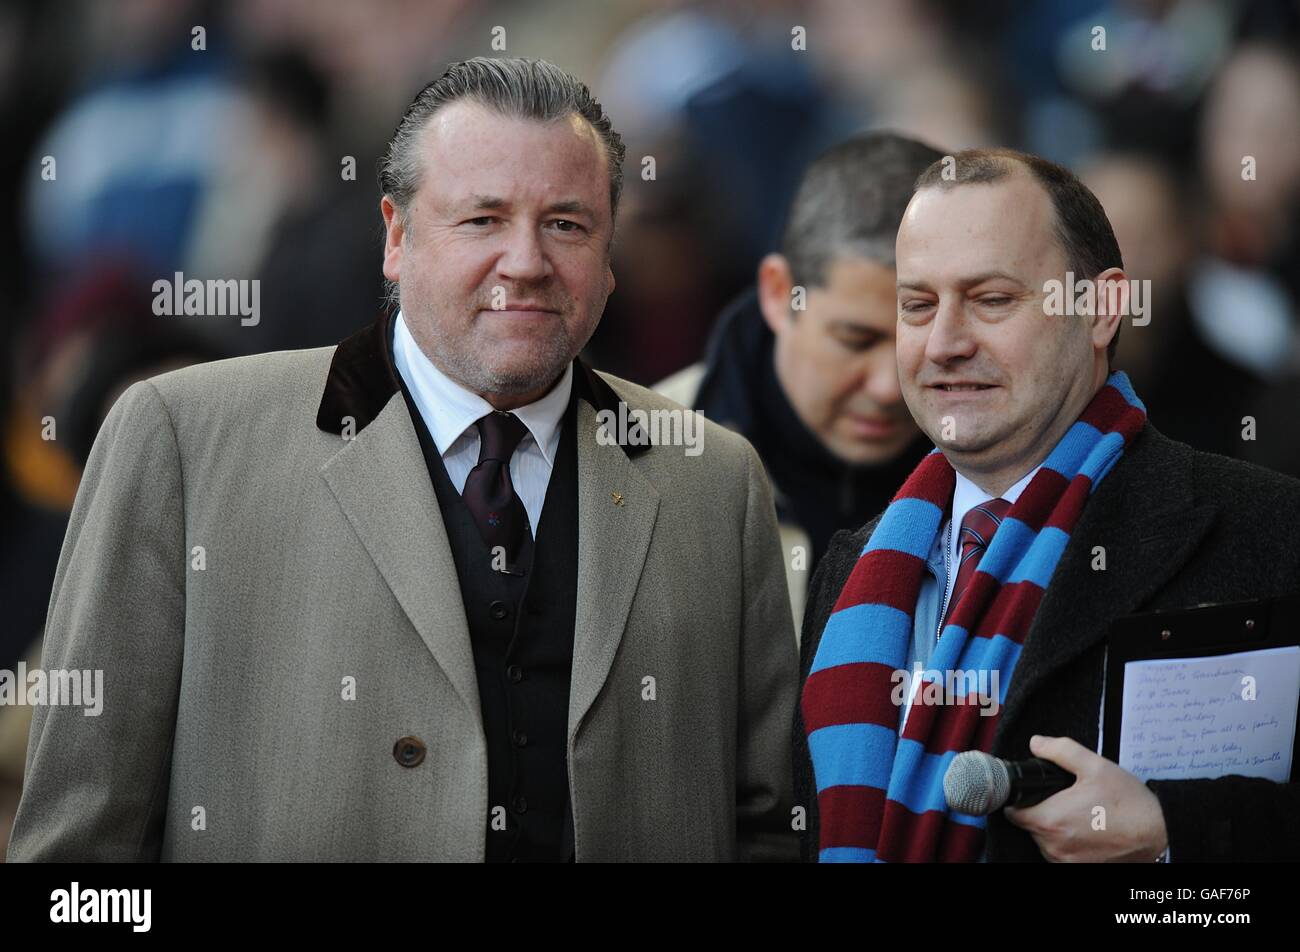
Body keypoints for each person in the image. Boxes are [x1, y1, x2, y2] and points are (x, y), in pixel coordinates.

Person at [8, 57, 798, 863]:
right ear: (396, 236)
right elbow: (76, 865)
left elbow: (767, 829)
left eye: (566, 223)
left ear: (608, 254)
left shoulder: (716, 480)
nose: (525, 261)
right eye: (482, 219)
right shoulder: (182, 440)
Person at [795, 147, 1300, 862]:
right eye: (916, 305)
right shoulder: (850, 567)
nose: (943, 343)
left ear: (1101, 309)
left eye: (992, 300)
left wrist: (1172, 835)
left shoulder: (1269, 529)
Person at [658, 133, 940, 625]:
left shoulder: (1009, 470)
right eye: (855, 339)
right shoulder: (641, 455)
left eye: (923, 340)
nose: (889, 388)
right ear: (778, 292)